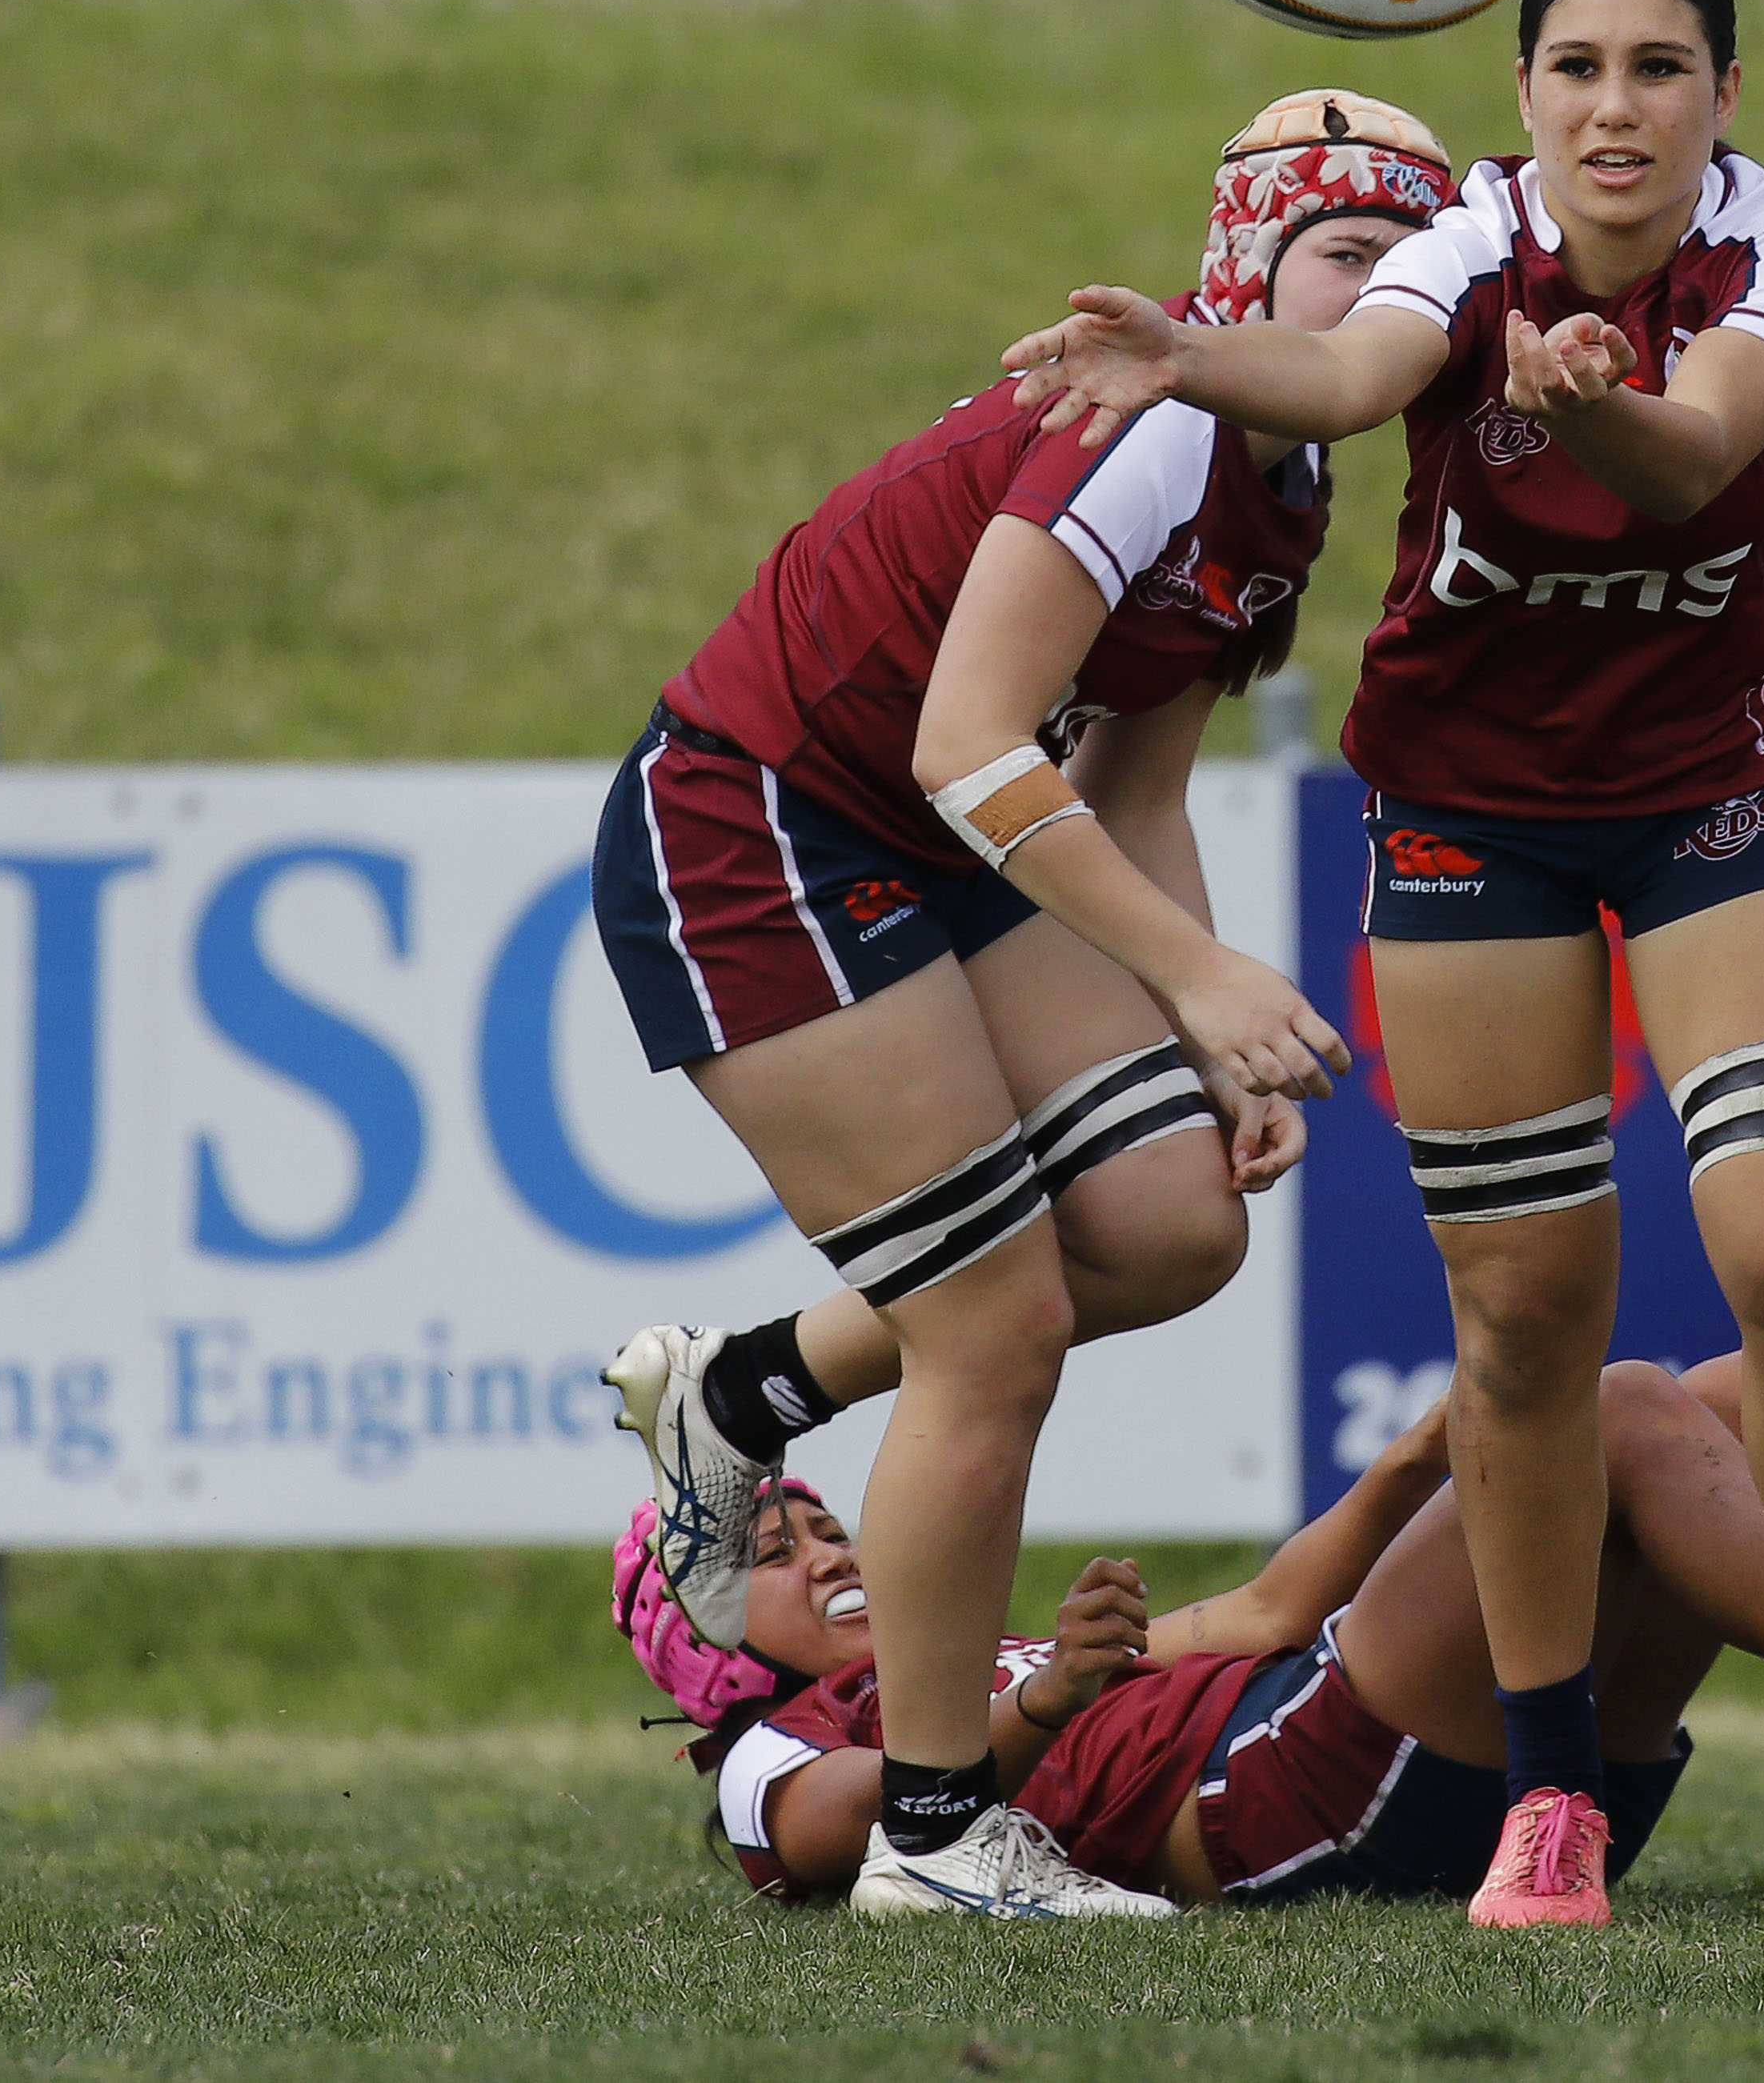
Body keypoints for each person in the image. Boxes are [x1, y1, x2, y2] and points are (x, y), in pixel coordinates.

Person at [1003, 0, 1764, 1925]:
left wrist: (1593, 400)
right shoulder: (1468, 240)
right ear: (1522, 96)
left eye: (1658, 70)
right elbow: (1351, 371)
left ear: (1722, 94)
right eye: (1575, 70)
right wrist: (1190, 350)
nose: (1614, 108)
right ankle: (1545, 1797)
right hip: (1470, 811)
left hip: (1717, 792)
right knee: (1527, 1322)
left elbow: (1695, 457)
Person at [586, 94, 1449, 1915]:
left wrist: (1198, 1029)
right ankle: (932, 1833)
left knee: (1170, 1223)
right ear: (1244, 274)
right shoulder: (1148, 428)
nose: (1379, 302)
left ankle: (743, 1396)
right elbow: (966, 741)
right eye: (1344, 258)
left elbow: (1128, 795)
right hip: (760, 821)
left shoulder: (1283, 490)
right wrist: (1201, 979)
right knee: (996, 1329)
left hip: (944, 836)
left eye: (1411, 274)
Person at [617, 1359, 1764, 1914]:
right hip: (1291, 1805)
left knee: (1745, 1395)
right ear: (701, 1648)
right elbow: (846, 1838)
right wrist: (1047, 1696)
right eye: (771, 1548)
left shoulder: (951, 1648)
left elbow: (1269, 1608)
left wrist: (1414, 1465)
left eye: (824, 1514)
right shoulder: (778, 1748)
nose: (823, 1540)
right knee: (1626, 1406)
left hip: (1482, 1782)